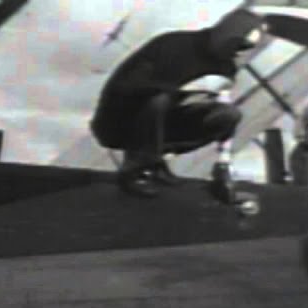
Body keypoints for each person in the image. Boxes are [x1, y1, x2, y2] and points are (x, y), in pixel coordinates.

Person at [90, 9, 267, 199]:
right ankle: (136, 168)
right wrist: (177, 91)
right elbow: (124, 87)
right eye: (236, 44)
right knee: (159, 99)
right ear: (225, 33)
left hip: (164, 126)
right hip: (119, 120)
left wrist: (224, 164)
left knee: (228, 115)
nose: (237, 52)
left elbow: (223, 109)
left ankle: (155, 160)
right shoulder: (171, 45)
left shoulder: (225, 66)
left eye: (244, 48)